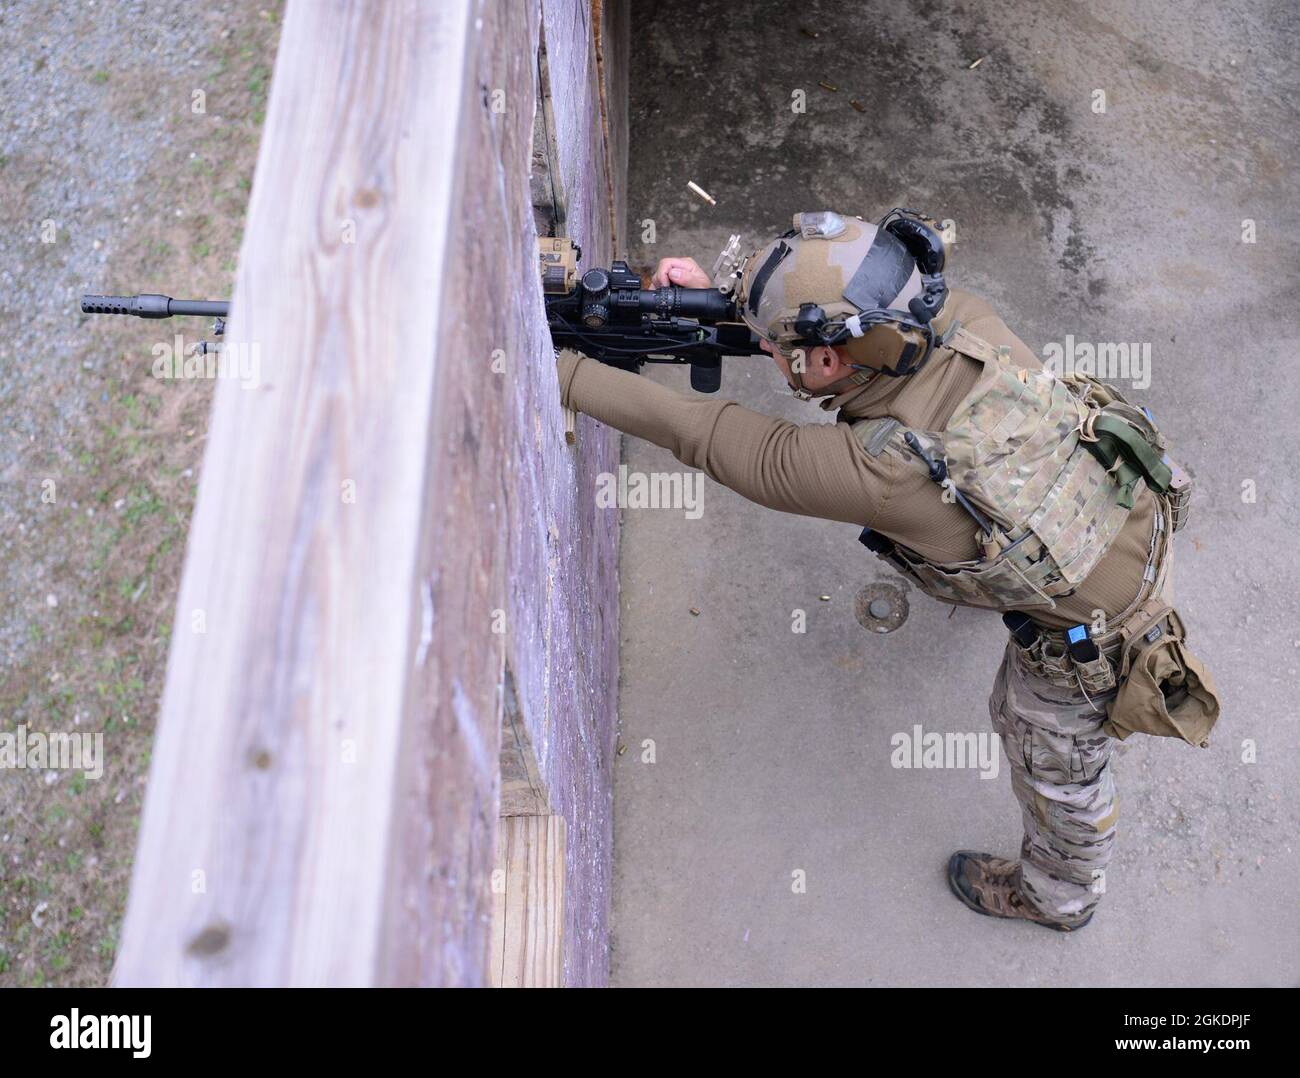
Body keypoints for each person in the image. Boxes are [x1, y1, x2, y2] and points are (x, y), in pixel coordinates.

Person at [555, 210, 1218, 931]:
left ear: (831, 362)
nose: (779, 359)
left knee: (1048, 758)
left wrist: (559, 368)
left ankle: (1059, 897)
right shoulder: (958, 313)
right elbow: (828, 322)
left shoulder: (881, 471)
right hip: (1129, 499)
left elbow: (703, 433)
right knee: (985, 519)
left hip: (1097, 636)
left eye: (785, 351)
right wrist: (719, 302)